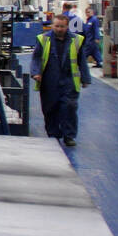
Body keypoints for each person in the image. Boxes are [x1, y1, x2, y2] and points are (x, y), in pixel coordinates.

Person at [31, 12, 92, 147]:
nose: (59, 29)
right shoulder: (43, 39)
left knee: (69, 108)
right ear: (52, 25)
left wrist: (85, 78)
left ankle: (69, 136)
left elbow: (82, 60)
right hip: (49, 81)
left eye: (62, 27)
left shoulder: (77, 40)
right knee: (50, 109)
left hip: (69, 80)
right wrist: (35, 73)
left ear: (67, 26)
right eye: (57, 26)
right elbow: (36, 57)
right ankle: (53, 134)